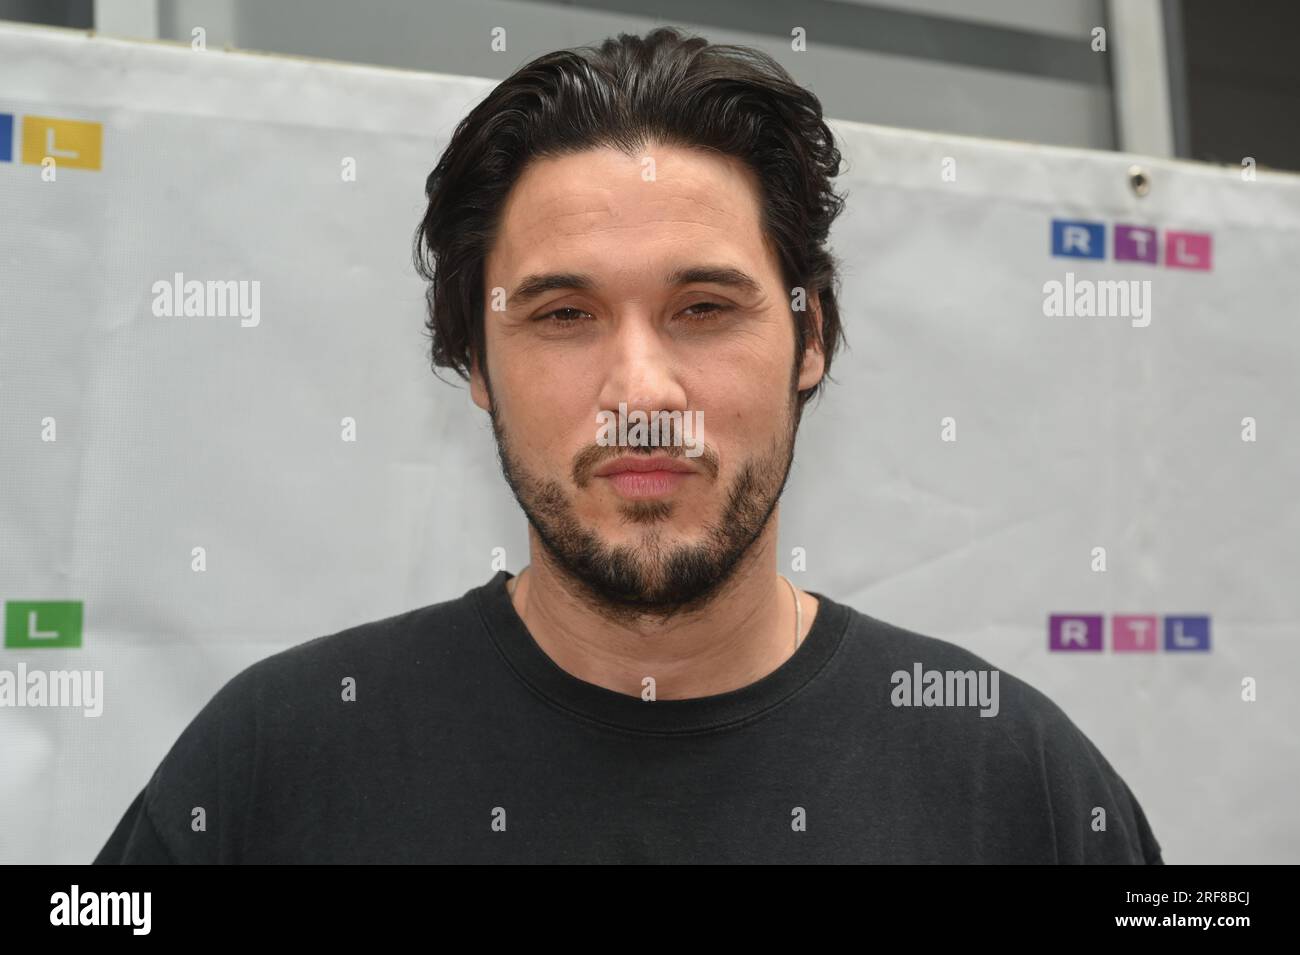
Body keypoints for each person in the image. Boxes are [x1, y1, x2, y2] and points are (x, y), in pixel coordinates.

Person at [95, 27, 1161, 864]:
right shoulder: (272, 766)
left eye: (703, 307)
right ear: (473, 361)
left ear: (810, 338)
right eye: (563, 315)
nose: (641, 390)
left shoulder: (1016, 784)